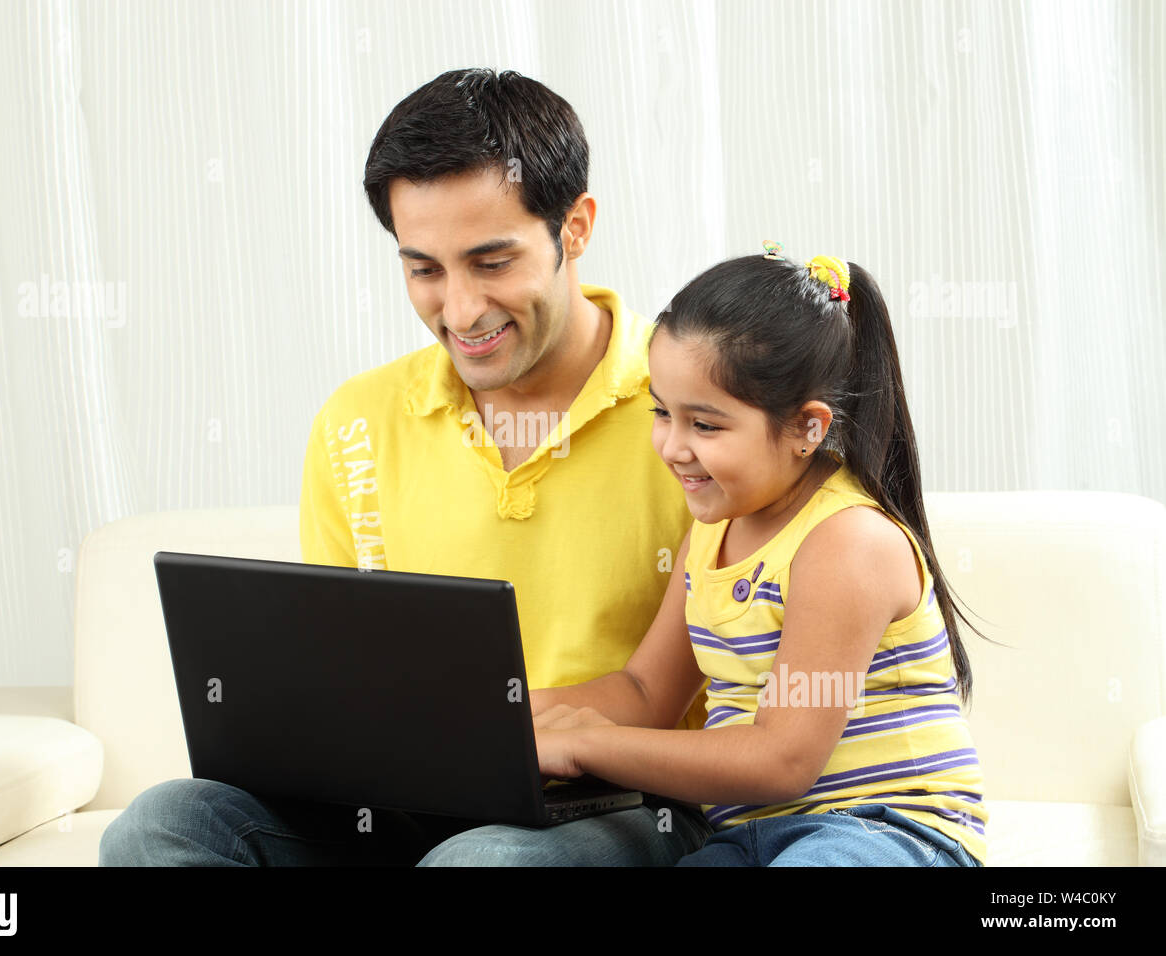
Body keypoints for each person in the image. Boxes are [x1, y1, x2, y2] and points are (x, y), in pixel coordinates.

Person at [99, 68, 711, 867]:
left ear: (576, 226)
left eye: (492, 262)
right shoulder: (357, 421)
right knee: (160, 826)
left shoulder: (696, 412)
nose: (459, 311)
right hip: (403, 804)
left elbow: (689, 691)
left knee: (484, 863)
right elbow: (341, 669)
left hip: (619, 800)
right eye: (424, 269)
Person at [530, 246, 990, 866]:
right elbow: (644, 690)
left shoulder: (847, 542)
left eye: (707, 425)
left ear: (808, 428)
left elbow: (781, 761)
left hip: (890, 830)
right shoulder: (713, 533)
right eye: (662, 413)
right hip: (747, 837)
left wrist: (585, 744)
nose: (671, 446)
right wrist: (496, 710)